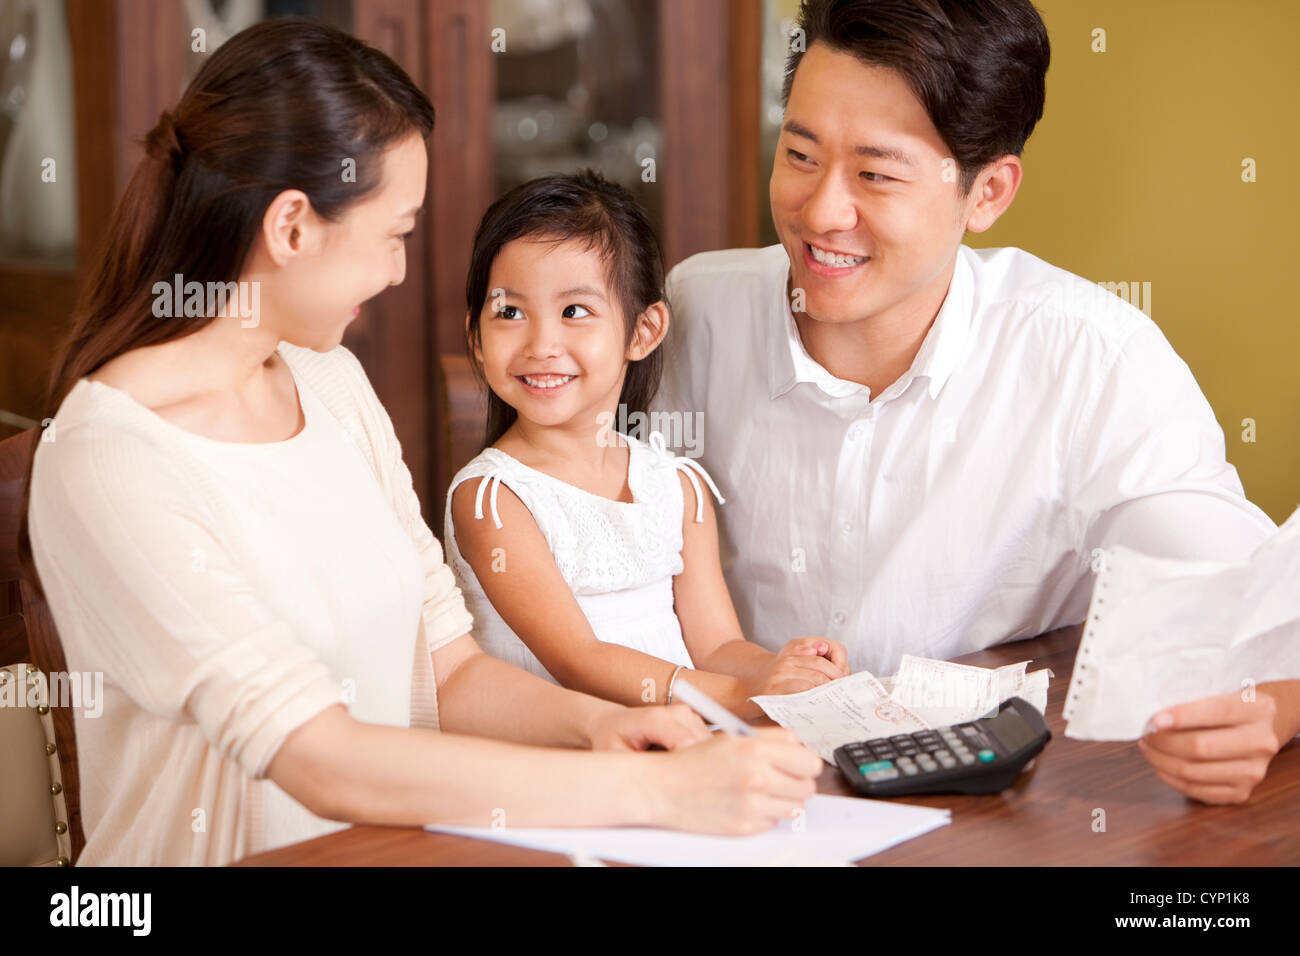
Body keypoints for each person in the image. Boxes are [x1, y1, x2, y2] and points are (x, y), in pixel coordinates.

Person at [18, 18, 822, 866]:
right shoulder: (110, 458)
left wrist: (613, 727)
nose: (402, 271)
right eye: (395, 234)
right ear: (293, 228)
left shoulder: (328, 383)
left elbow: (450, 672)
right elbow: (319, 759)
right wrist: (658, 793)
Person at [650, 0, 1299, 804]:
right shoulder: (693, 313)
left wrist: (1268, 706)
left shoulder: (1089, 358)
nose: (820, 212)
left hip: (985, 810)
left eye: (876, 175)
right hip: (719, 784)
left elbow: (1249, 598)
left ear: (987, 192)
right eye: (800, 153)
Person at [444, 170, 850, 719]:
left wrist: (784, 672)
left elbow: (719, 649)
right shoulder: (491, 498)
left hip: (676, 747)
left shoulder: (677, 486)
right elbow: (579, 660)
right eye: (510, 312)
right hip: (566, 766)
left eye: (574, 311)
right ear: (476, 335)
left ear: (643, 331)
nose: (541, 344)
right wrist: (739, 697)